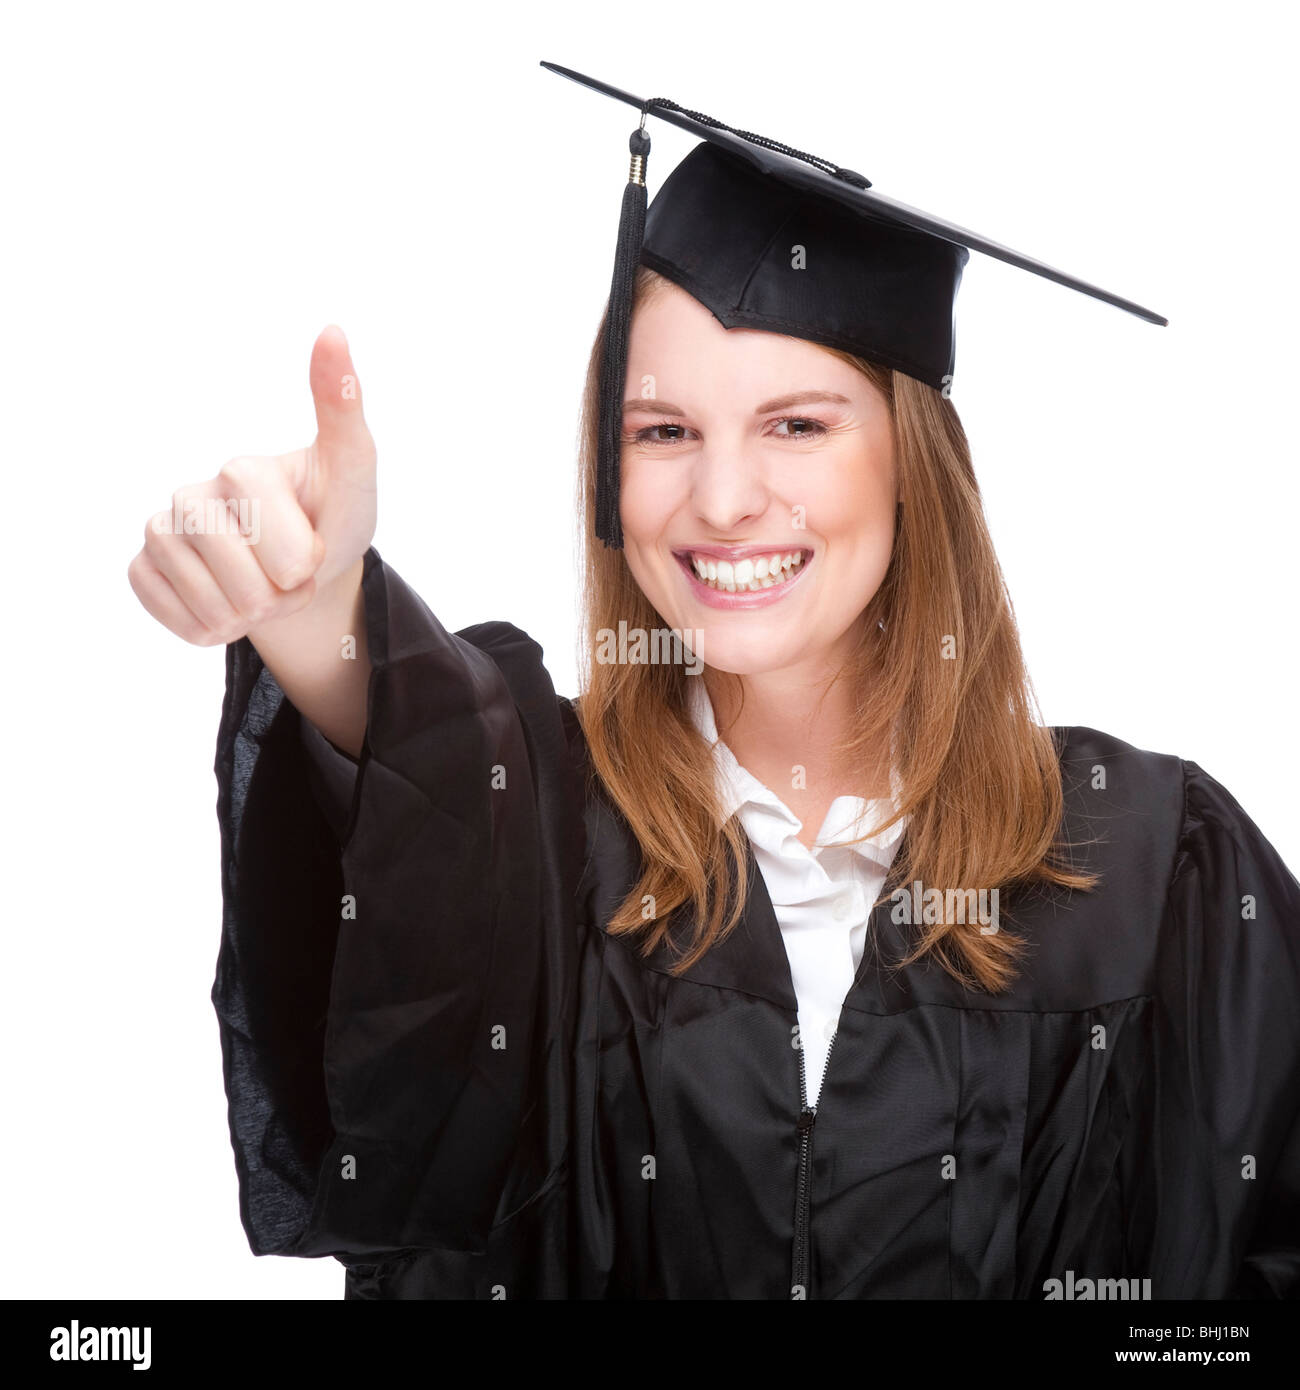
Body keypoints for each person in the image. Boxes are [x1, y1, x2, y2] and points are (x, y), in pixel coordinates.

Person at [128, 66, 1300, 1299]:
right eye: (661, 430)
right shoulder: (539, 836)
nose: (725, 499)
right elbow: (420, 779)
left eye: (798, 425)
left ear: (913, 461)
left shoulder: (1153, 864)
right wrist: (317, 618)